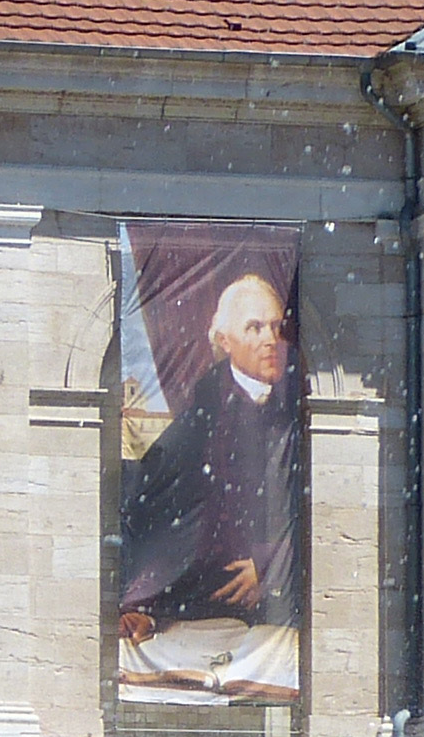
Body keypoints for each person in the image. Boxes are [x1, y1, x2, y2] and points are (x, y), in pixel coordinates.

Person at [113, 272, 302, 703]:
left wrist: (273, 571)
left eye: (276, 327)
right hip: (203, 614)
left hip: (271, 621)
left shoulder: (298, 411)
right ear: (224, 340)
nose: (269, 339)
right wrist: (144, 602)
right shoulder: (202, 419)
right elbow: (166, 516)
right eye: (253, 328)